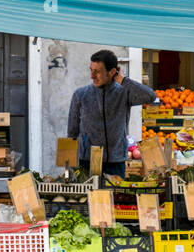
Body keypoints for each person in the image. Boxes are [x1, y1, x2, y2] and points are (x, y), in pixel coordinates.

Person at [66, 49, 158, 177]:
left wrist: (122, 79)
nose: (92, 76)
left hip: (116, 162)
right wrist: (68, 167)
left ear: (112, 72)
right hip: (87, 162)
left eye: (97, 71)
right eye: (91, 70)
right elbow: (71, 132)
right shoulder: (80, 95)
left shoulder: (124, 93)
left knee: (115, 196)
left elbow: (150, 96)